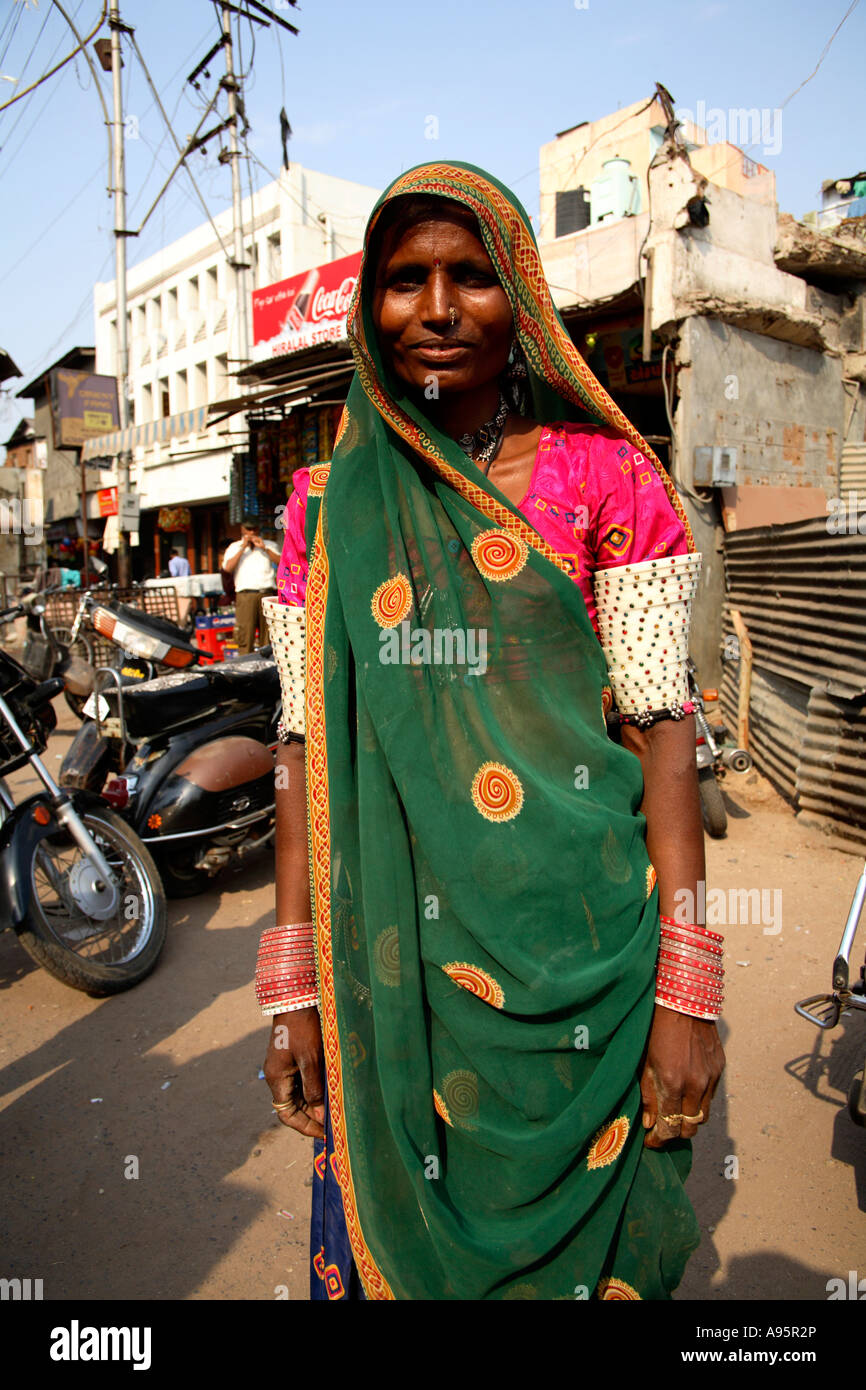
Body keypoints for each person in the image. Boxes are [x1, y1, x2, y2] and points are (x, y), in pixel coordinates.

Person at [258, 162, 725, 1302]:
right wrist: (290, 986)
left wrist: (687, 990)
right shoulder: (326, 507)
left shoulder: (606, 476)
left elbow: (662, 733)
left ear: (516, 297)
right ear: (369, 304)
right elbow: (304, 750)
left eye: (468, 276)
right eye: (405, 278)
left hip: (585, 956)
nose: (435, 307)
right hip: (395, 971)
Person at [221, 517, 280, 655]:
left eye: (254, 529)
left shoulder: (270, 545)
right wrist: (243, 548)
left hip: (267, 592)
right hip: (246, 594)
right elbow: (227, 568)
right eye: (248, 529)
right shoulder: (234, 547)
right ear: (242, 529)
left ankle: (268, 667)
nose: (251, 532)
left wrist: (264, 548)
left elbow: (282, 562)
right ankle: (245, 665)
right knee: (245, 634)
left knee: (268, 635)